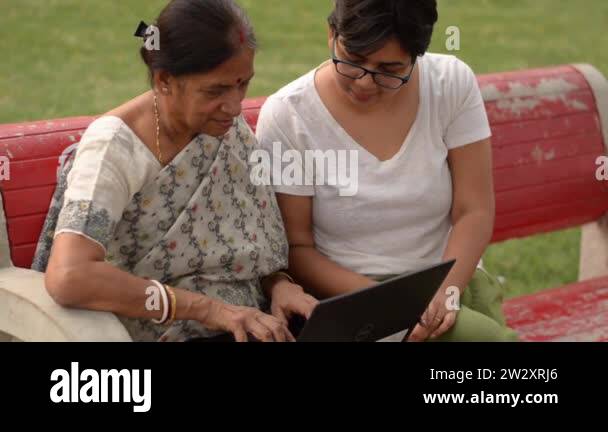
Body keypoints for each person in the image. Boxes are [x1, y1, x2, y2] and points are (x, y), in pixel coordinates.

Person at [33, 0, 317, 342]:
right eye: (217, 90)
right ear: (164, 79)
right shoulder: (114, 149)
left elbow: (246, 251)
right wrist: (209, 310)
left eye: (243, 84)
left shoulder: (226, 127)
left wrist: (280, 285)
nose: (235, 105)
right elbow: (69, 276)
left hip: (251, 324)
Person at [256, 0, 518, 342]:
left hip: (445, 283)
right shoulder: (289, 116)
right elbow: (297, 249)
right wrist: (398, 305)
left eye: (389, 70)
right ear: (331, 34)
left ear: (417, 55)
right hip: (347, 301)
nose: (364, 83)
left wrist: (444, 293)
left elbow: (474, 209)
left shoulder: (450, 85)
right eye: (351, 61)